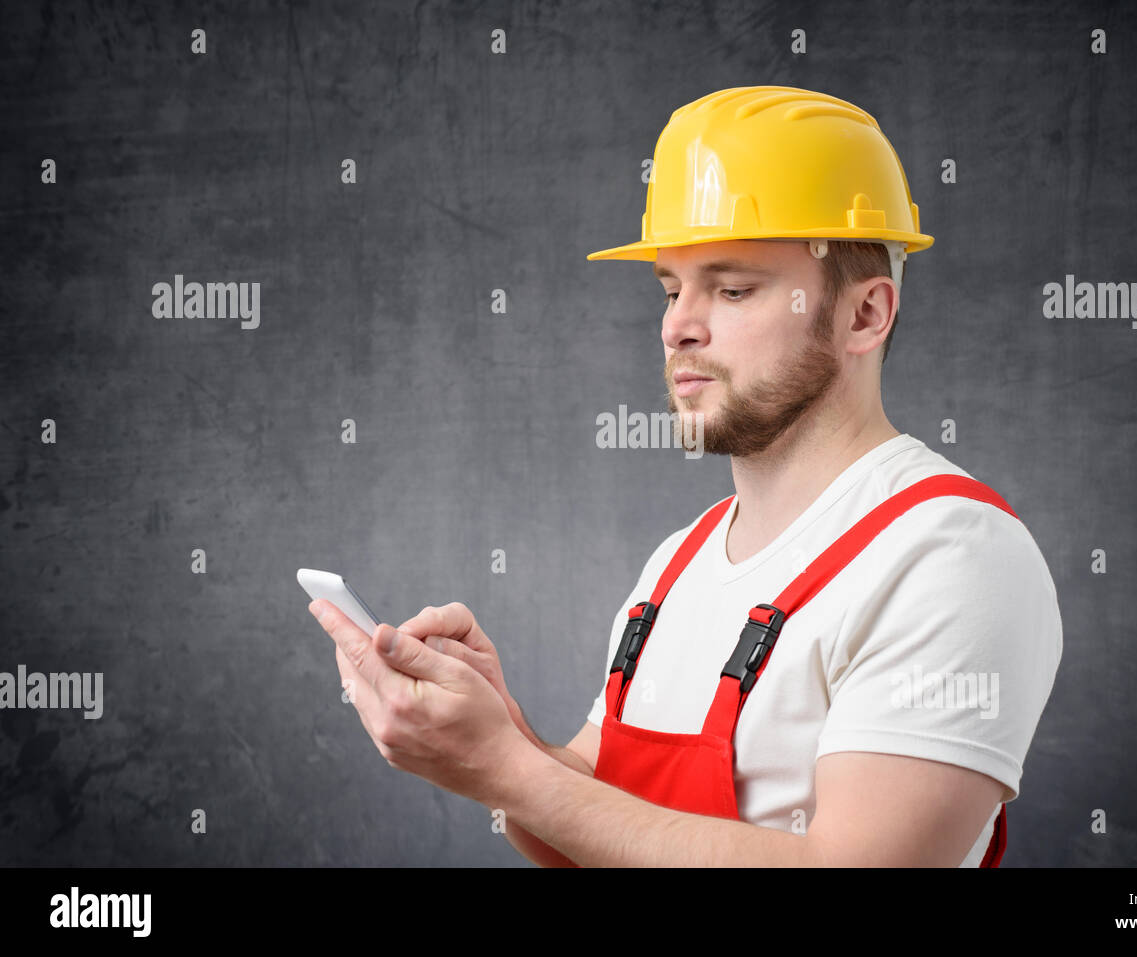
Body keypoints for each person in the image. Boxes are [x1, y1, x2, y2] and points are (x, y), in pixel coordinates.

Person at [310, 85, 1063, 867]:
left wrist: (512, 770)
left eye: (732, 288)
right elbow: (587, 824)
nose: (677, 325)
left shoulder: (952, 555)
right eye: (671, 289)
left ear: (865, 315)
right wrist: (502, 738)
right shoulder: (675, 565)